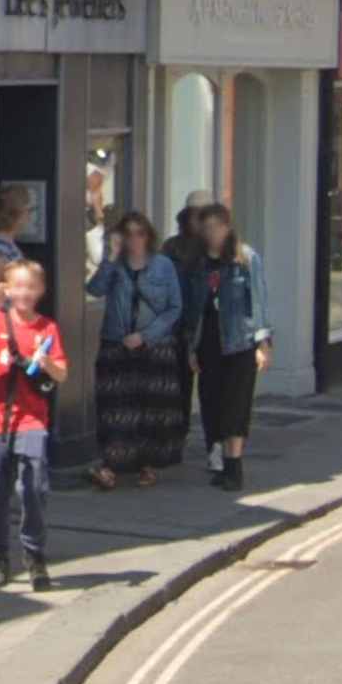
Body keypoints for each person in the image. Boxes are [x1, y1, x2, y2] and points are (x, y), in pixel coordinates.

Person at [0, 259, 69, 592]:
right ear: (6, 288)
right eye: (18, 286)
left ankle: (34, 556)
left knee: (33, 488)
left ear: (41, 290)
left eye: (31, 286)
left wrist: (47, 363)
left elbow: (62, 374)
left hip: (32, 419)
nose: (24, 293)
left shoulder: (47, 328)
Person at [85, 212, 185, 489]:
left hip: (153, 348)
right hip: (116, 344)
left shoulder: (163, 265)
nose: (134, 239)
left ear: (149, 236)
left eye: (140, 233)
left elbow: (175, 307)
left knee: (149, 410)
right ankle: (110, 465)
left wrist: (146, 335)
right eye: (128, 233)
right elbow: (93, 289)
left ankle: (146, 465)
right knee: (114, 408)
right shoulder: (115, 266)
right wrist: (110, 256)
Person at [182, 204, 272, 493]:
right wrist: (192, 349)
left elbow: (258, 301)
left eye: (215, 228)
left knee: (236, 406)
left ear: (227, 228)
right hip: (208, 344)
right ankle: (221, 464)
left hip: (239, 342)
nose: (210, 234)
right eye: (205, 229)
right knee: (212, 405)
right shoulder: (197, 265)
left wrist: (262, 343)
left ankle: (234, 468)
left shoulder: (246, 259)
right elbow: (194, 310)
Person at [163, 190, 214, 473]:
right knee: (178, 388)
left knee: (211, 391)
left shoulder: (217, 249)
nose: (202, 222)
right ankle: (175, 440)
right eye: (197, 216)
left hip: (208, 327)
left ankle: (214, 446)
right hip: (177, 327)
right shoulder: (172, 248)